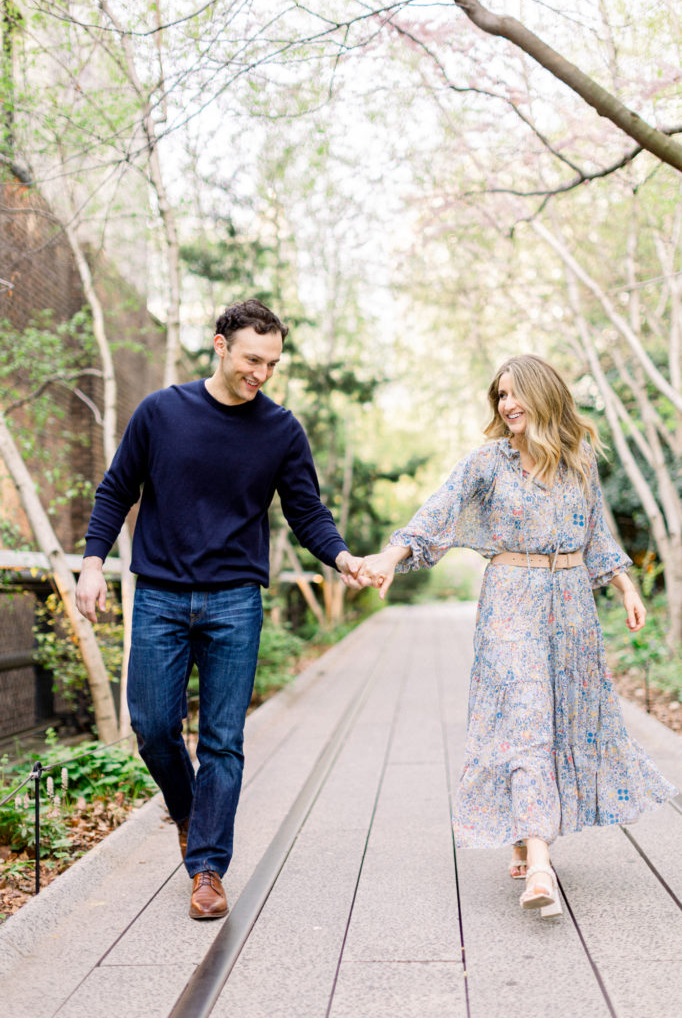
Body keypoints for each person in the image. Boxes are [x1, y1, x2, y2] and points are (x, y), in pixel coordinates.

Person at [75, 298, 366, 920]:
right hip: (159, 594)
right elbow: (116, 488)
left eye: (272, 363)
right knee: (152, 727)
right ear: (220, 345)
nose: (260, 372)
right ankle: (189, 811)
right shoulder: (161, 413)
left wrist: (342, 558)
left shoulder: (281, 429)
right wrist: (94, 561)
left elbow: (306, 510)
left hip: (235, 599)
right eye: (252, 359)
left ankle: (207, 868)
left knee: (224, 742)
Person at [358, 354, 677, 918]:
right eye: (499, 396)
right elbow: (439, 511)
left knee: (558, 718)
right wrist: (389, 556)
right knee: (525, 715)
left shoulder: (579, 462)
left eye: (514, 394)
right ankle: (540, 862)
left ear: (543, 396)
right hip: (510, 598)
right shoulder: (488, 462)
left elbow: (598, 533)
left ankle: (524, 834)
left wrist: (625, 586)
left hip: (572, 602)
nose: (506, 405)